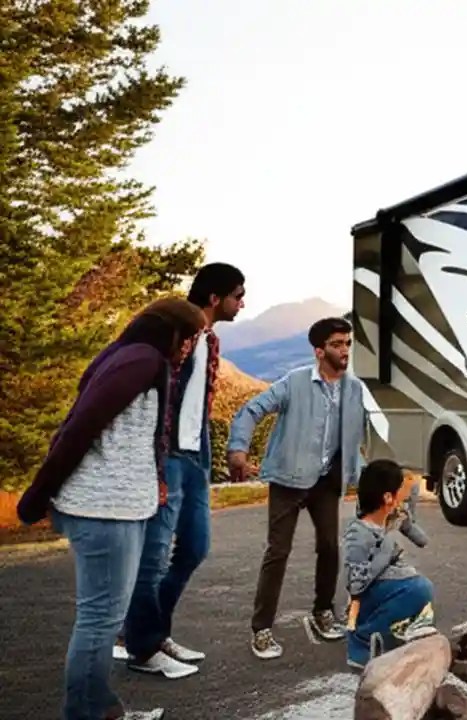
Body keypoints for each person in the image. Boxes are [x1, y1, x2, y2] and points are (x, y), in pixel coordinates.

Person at [17, 297, 208, 720]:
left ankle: (100, 708)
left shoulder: (137, 358)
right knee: (100, 618)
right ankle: (85, 713)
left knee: (105, 616)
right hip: (105, 509)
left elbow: (138, 436)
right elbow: (80, 426)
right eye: (189, 336)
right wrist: (35, 497)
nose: (190, 347)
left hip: (117, 507)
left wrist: (153, 481)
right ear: (169, 330)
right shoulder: (140, 359)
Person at [118, 262, 246, 679]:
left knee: (194, 547)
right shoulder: (179, 333)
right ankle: (143, 646)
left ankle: (149, 631)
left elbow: (199, 404)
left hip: (195, 455)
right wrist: (154, 455)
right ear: (215, 298)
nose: (242, 303)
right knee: (153, 556)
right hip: (167, 453)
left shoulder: (211, 339)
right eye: (237, 295)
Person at [229, 316, 372, 659]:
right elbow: (252, 410)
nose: (345, 350)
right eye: (337, 344)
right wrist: (238, 448)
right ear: (319, 350)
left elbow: (363, 438)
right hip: (288, 479)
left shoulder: (354, 390)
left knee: (329, 547)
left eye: (348, 343)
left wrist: (363, 475)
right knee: (278, 552)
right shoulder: (294, 383)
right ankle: (261, 629)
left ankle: (323, 611)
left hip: (327, 481)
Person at [343, 458, 435, 670]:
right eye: (399, 492)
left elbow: (422, 540)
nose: (403, 497)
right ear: (387, 497)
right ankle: (363, 640)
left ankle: (394, 638)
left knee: (422, 592)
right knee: (419, 589)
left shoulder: (387, 519)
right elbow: (355, 583)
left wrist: (406, 520)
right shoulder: (358, 533)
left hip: (387, 583)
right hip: (368, 596)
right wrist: (387, 550)